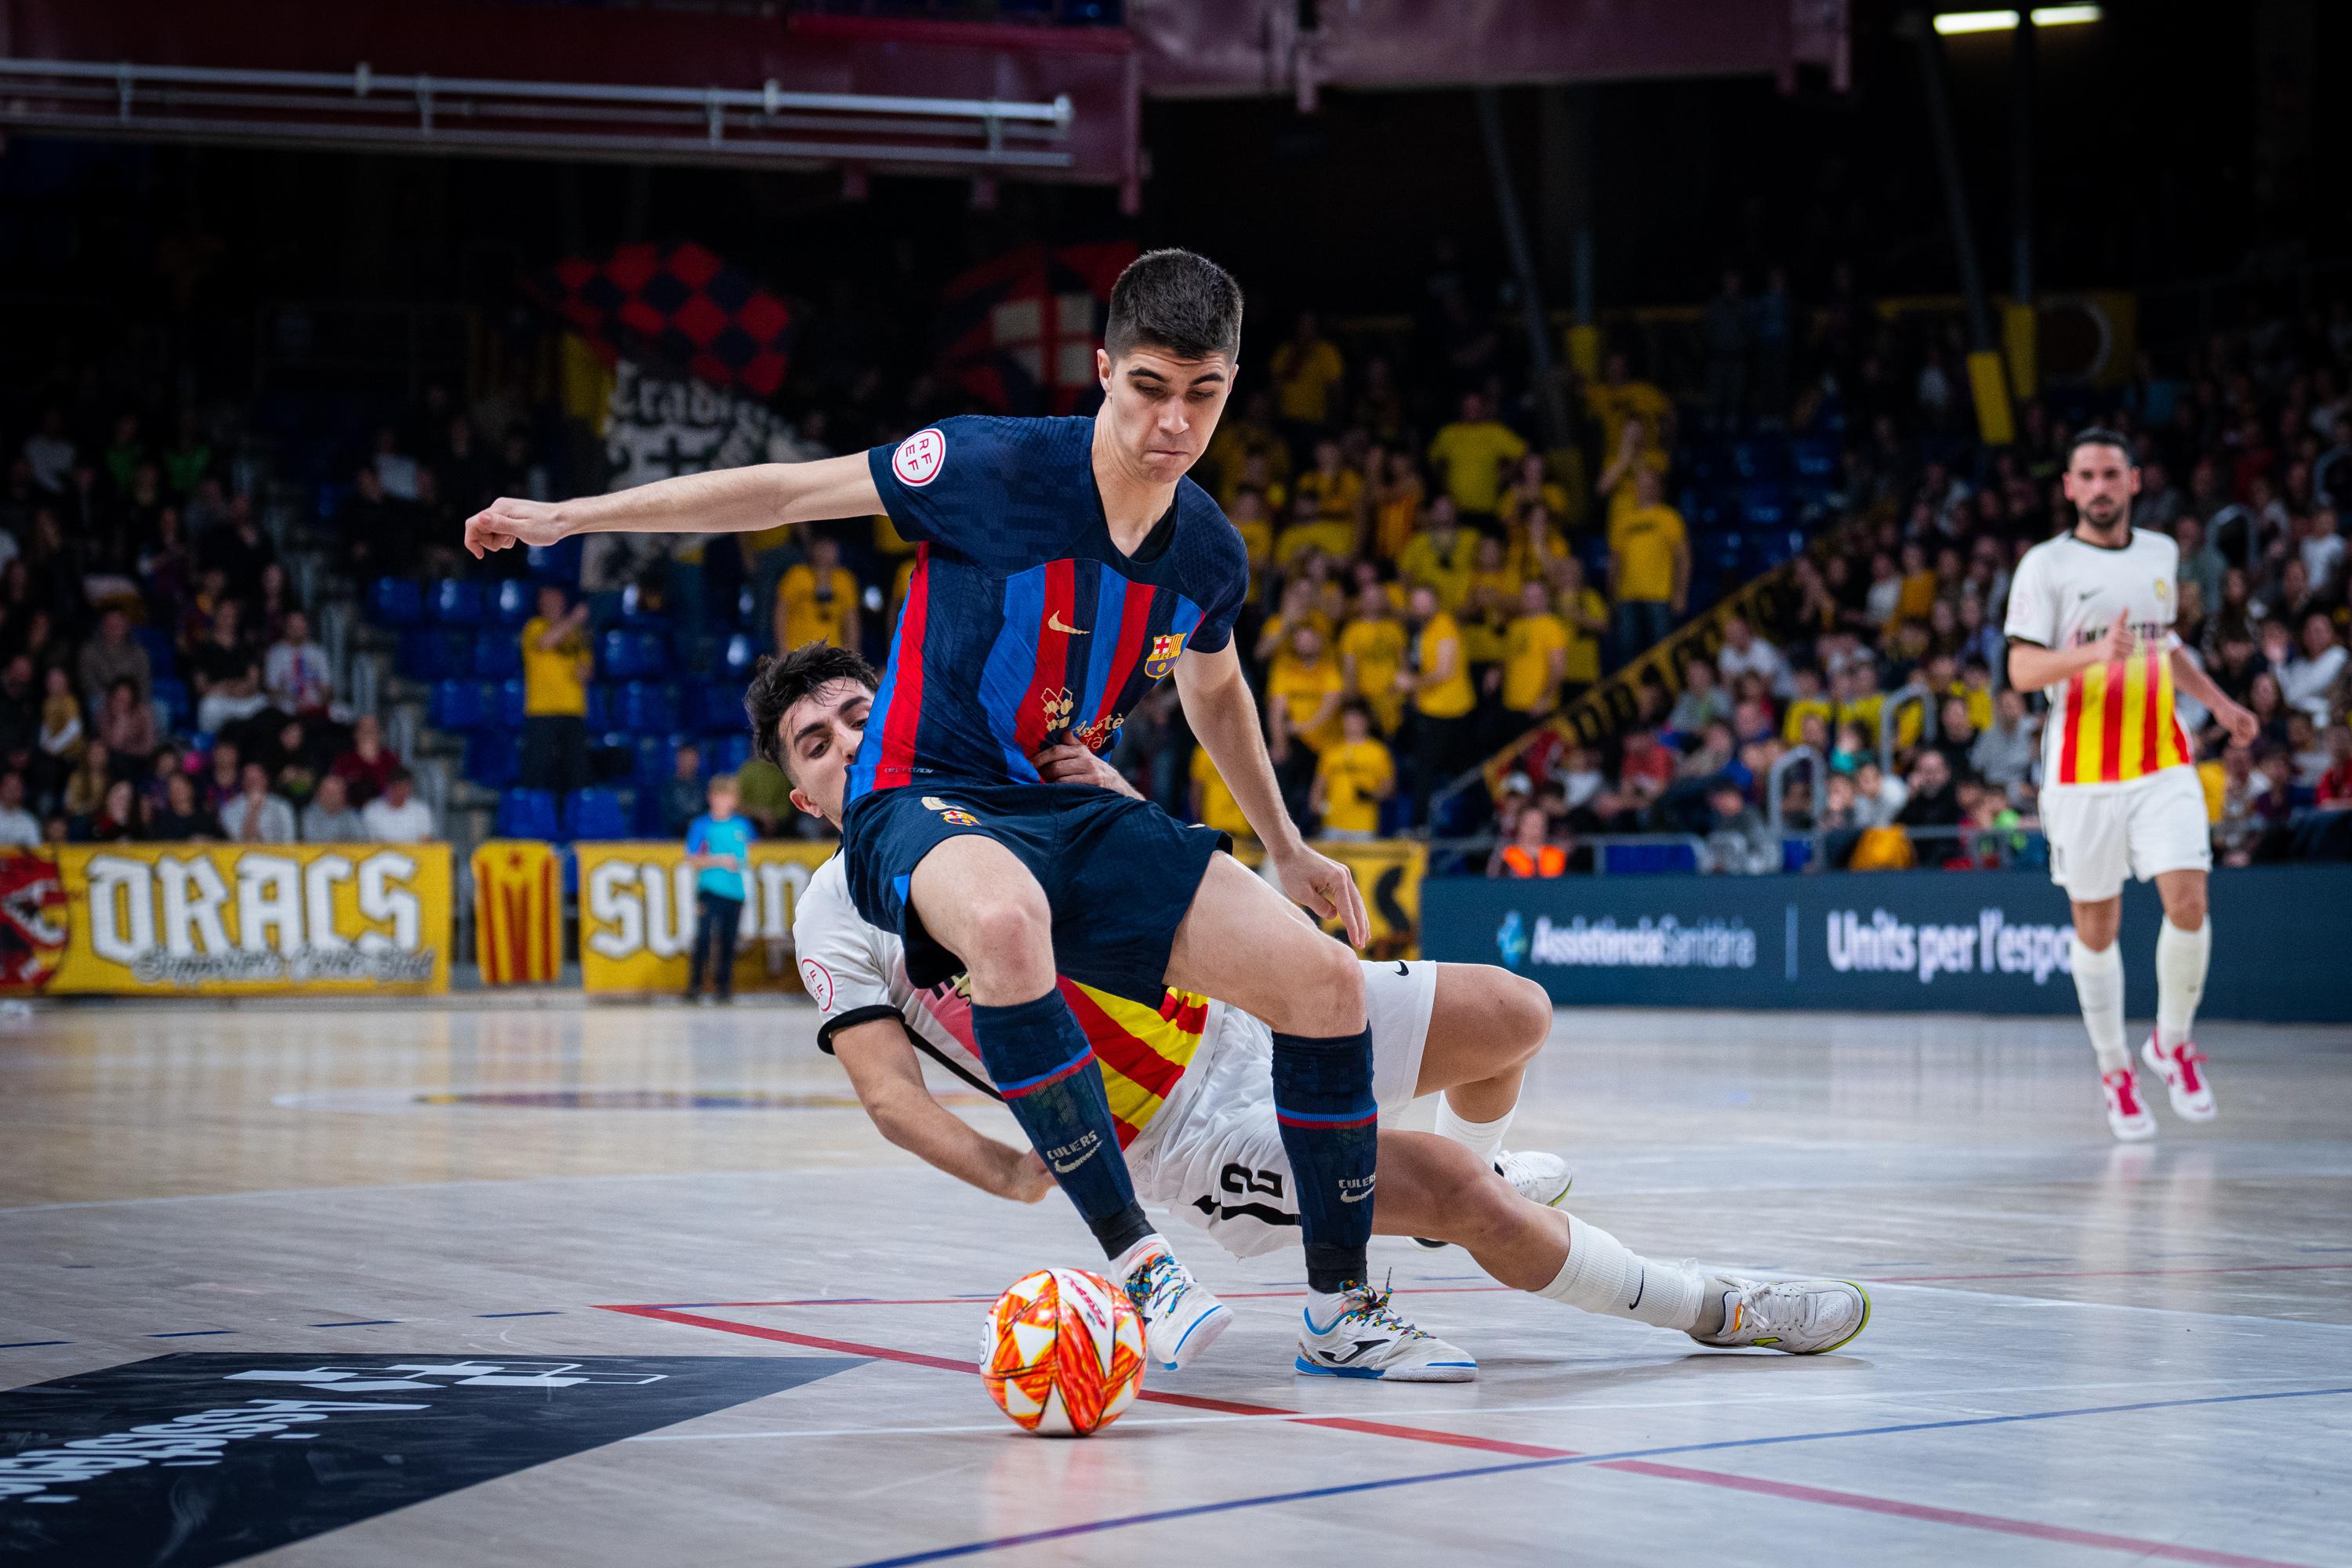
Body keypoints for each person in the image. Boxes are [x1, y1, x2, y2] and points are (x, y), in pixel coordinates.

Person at [466, 251, 1452, 1381]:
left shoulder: (1209, 551)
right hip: (920, 797)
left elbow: (1214, 684)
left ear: (1233, 383)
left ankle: (1342, 1315)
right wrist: (567, 517)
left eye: (1204, 393)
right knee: (1005, 923)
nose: (1173, 421)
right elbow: (784, 493)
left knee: (1325, 989)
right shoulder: (986, 465)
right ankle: (1139, 1261)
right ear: (1102, 371)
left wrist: (1286, 845)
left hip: (1061, 806)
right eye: (1148, 387)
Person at [779, 644, 1870, 1369]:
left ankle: (1468, 1186)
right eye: (813, 742)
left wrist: (1115, 798)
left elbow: (1165, 887)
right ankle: (1714, 1306)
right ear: (799, 795)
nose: (843, 741)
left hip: (1249, 1015)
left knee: (1514, 1012)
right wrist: (1010, 1169)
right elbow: (888, 1093)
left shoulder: (1004, 779)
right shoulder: (837, 910)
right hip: (1190, 1137)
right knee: (1453, 1194)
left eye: (856, 715)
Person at [2005, 430, 2260, 1142]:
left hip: (2161, 758)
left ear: (2134, 480)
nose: (2099, 486)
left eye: (2111, 473)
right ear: (2068, 487)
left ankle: (2171, 1043)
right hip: (2081, 771)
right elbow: (2023, 672)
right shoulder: (2044, 565)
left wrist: (2218, 703)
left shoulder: (2159, 553)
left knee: (2189, 899)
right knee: (2099, 926)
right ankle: (2116, 1068)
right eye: (2086, 474)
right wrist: (2092, 652)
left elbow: (2165, 643)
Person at [680, 772, 754, 1004]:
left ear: (734, 799)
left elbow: (748, 854)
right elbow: (692, 858)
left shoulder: (742, 825)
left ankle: (724, 987)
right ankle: (695, 986)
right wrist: (719, 860)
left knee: (728, 939)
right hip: (709, 889)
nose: (723, 801)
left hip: (734, 891)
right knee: (703, 937)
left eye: (727, 796)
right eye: (719, 796)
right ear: (711, 798)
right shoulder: (702, 825)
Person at [1606, 466, 1687, 659]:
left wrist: (1680, 592)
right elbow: (1614, 561)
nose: (1646, 488)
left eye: (1651, 484)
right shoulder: (1623, 520)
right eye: (1641, 484)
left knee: (1663, 652)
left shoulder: (1669, 517)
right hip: (1627, 597)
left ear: (1659, 488)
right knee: (1628, 653)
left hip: (1659, 596)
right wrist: (1612, 594)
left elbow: (1683, 558)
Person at [520, 584, 593, 797]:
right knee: (536, 773)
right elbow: (545, 642)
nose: (551, 603)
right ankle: (532, 820)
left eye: (555, 598)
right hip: (542, 711)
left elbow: (586, 673)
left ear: (563, 601)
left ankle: (573, 823)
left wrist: (583, 668)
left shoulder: (577, 634)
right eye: (546, 599)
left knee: (576, 775)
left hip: (574, 711)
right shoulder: (535, 626)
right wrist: (574, 619)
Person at [1311, 702, 1393, 840]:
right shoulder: (1331, 751)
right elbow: (1319, 785)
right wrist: (1315, 807)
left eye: (1357, 718)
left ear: (1366, 721)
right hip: (1332, 824)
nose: (1352, 723)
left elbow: (1388, 786)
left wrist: (1371, 795)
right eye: (1348, 718)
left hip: (1364, 825)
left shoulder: (1378, 752)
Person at [263, 608, 334, 717]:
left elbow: (327, 687)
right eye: (293, 625)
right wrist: (292, 700)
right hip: (287, 708)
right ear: (286, 628)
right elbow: (272, 689)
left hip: (315, 707)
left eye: (300, 624)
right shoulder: (276, 653)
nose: (297, 629)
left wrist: (321, 702)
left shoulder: (318, 652)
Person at [220, 761, 296, 844]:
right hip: (245, 855)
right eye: (249, 779)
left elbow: (289, 841)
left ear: (266, 780)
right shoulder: (230, 808)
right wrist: (254, 810)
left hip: (278, 855)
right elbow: (243, 842)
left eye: (258, 778)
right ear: (242, 781)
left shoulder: (282, 806)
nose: (253, 783)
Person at [361, 768, 436, 842]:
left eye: (406, 788)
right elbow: (369, 842)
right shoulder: (371, 810)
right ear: (389, 787)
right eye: (399, 787)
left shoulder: (421, 810)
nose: (402, 792)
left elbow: (426, 840)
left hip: (414, 853)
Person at [301, 772, 367, 842]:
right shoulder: (308, 814)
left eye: (336, 793)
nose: (332, 797)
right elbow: (310, 841)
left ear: (344, 795)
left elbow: (362, 840)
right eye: (328, 792)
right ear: (318, 794)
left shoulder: (351, 814)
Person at [0, 771, 38, 847]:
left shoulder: (29, 821)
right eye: (8, 786)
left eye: (16, 787)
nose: (11, 791)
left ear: (22, 792)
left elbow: (35, 851)